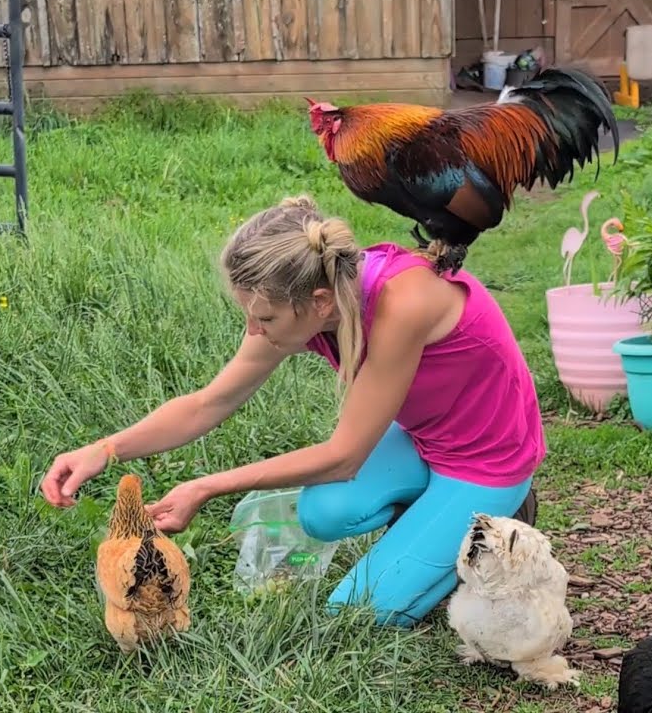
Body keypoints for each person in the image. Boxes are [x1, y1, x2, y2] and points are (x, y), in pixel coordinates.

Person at [39, 194, 544, 628]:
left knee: (356, 614)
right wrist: (104, 449)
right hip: (426, 438)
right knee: (323, 513)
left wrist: (205, 486)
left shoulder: (403, 304)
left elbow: (343, 458)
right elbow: (208, 403)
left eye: (264, 318)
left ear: (319, 303)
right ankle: (430, 515)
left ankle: (496, 519)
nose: (253, 331)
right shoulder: (308, 297)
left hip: (488, 460)